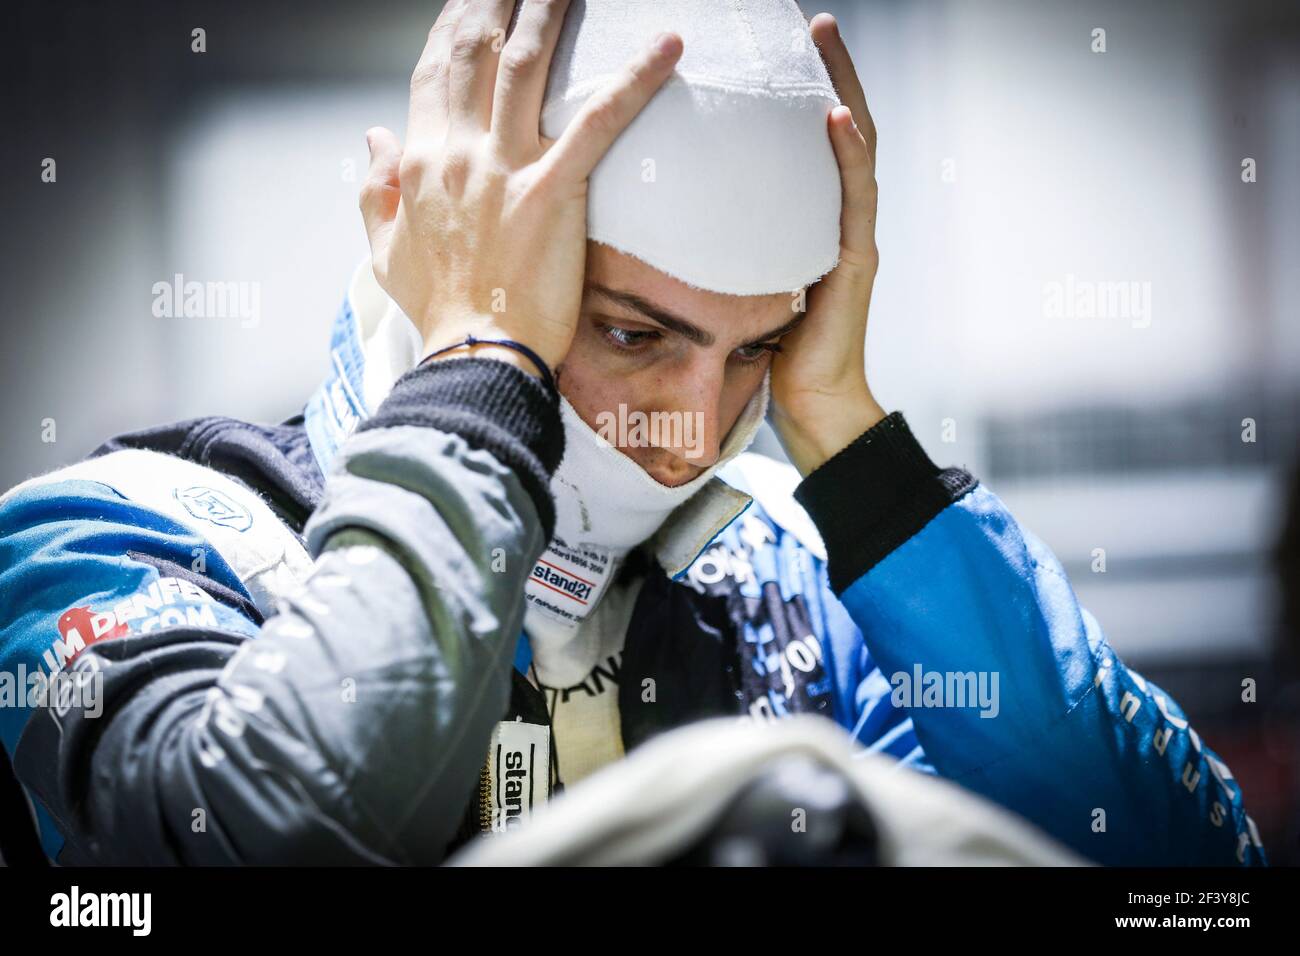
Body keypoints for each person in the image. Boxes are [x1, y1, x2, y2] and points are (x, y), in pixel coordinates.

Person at [0, 0, 1265, 866]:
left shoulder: (782, 579)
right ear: (437, 254)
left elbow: (1178, 868)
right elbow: (269, 828)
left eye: (759, 348)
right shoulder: (109, 540)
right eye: (630, 330)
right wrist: (478, 378)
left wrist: (853, 446)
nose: (696, 431)